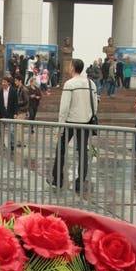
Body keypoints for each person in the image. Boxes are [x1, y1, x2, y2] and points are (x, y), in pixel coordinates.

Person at [49, 57, 97, 193]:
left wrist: (60, 125)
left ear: (73, 67)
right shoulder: (91, 83)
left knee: (61, 150)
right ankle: (80, 181)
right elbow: (95, 103)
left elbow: (64, 107)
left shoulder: (70, 84)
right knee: (83, 153)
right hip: (86, 122)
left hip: (70, 122)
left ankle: (57, 178)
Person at [0, 74, 18, 150]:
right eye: (2, 82)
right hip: (2, 113)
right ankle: (2, 143)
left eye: (4, 82)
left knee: (11, 130)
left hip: (11, 113)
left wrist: (15, 113)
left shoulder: (13, 91)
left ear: (8, 83)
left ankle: (12, 144)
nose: (3, 83)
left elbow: (16, 103)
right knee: (1, 130)